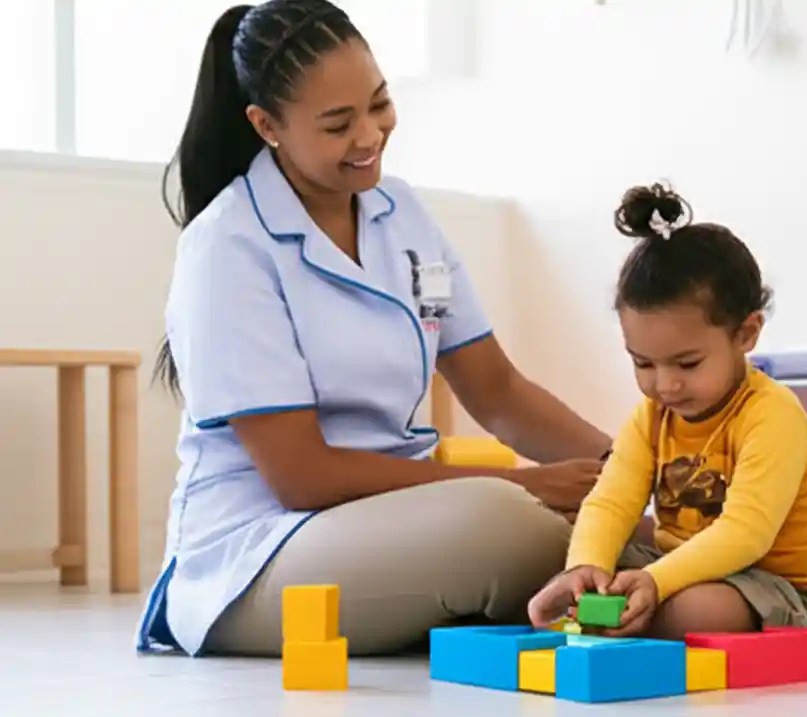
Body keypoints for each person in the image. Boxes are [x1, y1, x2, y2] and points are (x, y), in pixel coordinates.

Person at [135, 0, 614, 657]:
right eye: (338, 124)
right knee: (508, 524)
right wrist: (524, 485)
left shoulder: (402, 215)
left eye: (380, 105)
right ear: (266, 125)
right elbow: (302, 476)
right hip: (260, 559)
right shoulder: (228, 246)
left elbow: (498, 390)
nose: (369, 136)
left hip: (390, 523)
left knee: (620, 524)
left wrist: (632, 470)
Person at [526, 183, 807, 639]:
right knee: (556, 565)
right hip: (674, 570)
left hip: (774, 587)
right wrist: (584, 569)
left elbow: (746, 533)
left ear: (746, 334)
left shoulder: (772, 415)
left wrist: (657, 581)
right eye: (643, 363)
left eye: (687, 364)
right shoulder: (650, 417)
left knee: (697, 611)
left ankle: (636, 615)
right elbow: (611, 502)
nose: (664, 384)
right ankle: (620, 608)